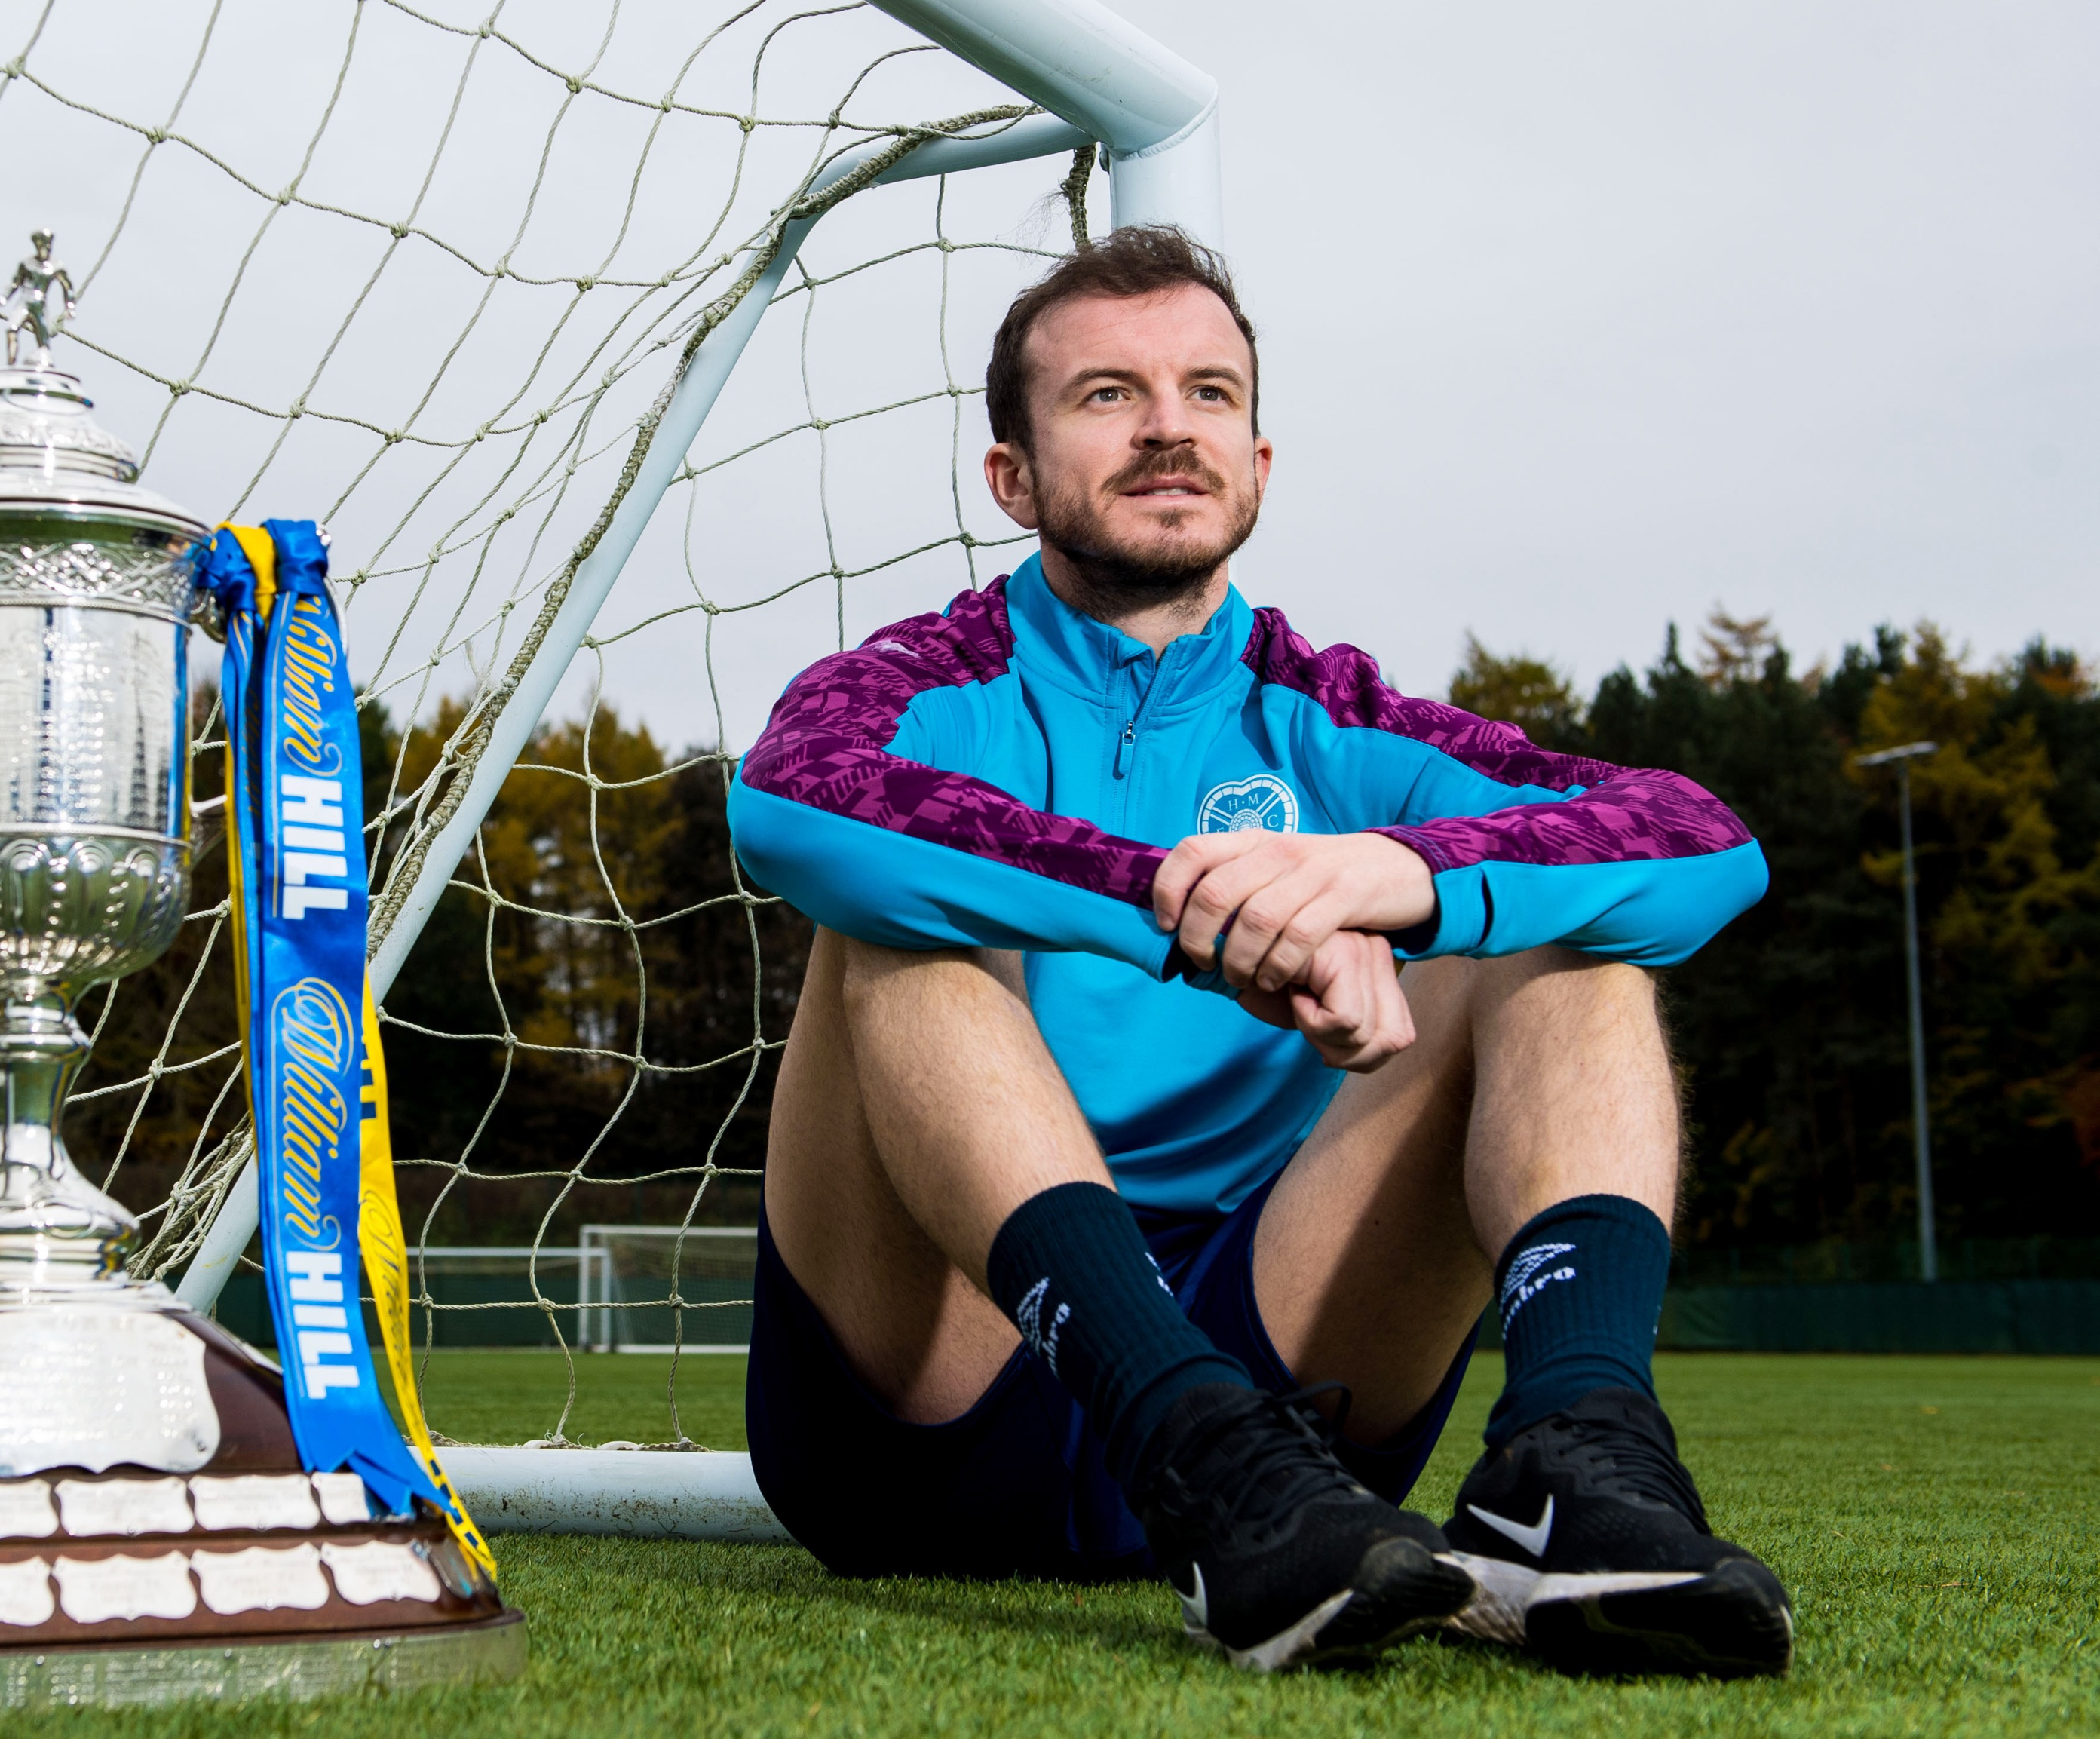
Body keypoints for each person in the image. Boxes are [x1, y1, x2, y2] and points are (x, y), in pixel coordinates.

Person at [725, 225, 1792, 1676]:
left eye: (1209, 393)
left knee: (1567, 925)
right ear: (1012, 477)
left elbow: (1702, 838)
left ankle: (1574, 1456)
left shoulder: (1340, 721)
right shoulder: (922, 687)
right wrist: (1197, 915)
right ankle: (1179, 1427)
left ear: (1258, 463)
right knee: (901, 920)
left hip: (1287, 1423)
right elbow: (793, 802)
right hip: (937, 1398)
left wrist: (1397, 877)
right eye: (1108, 393)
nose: (1169, 426)